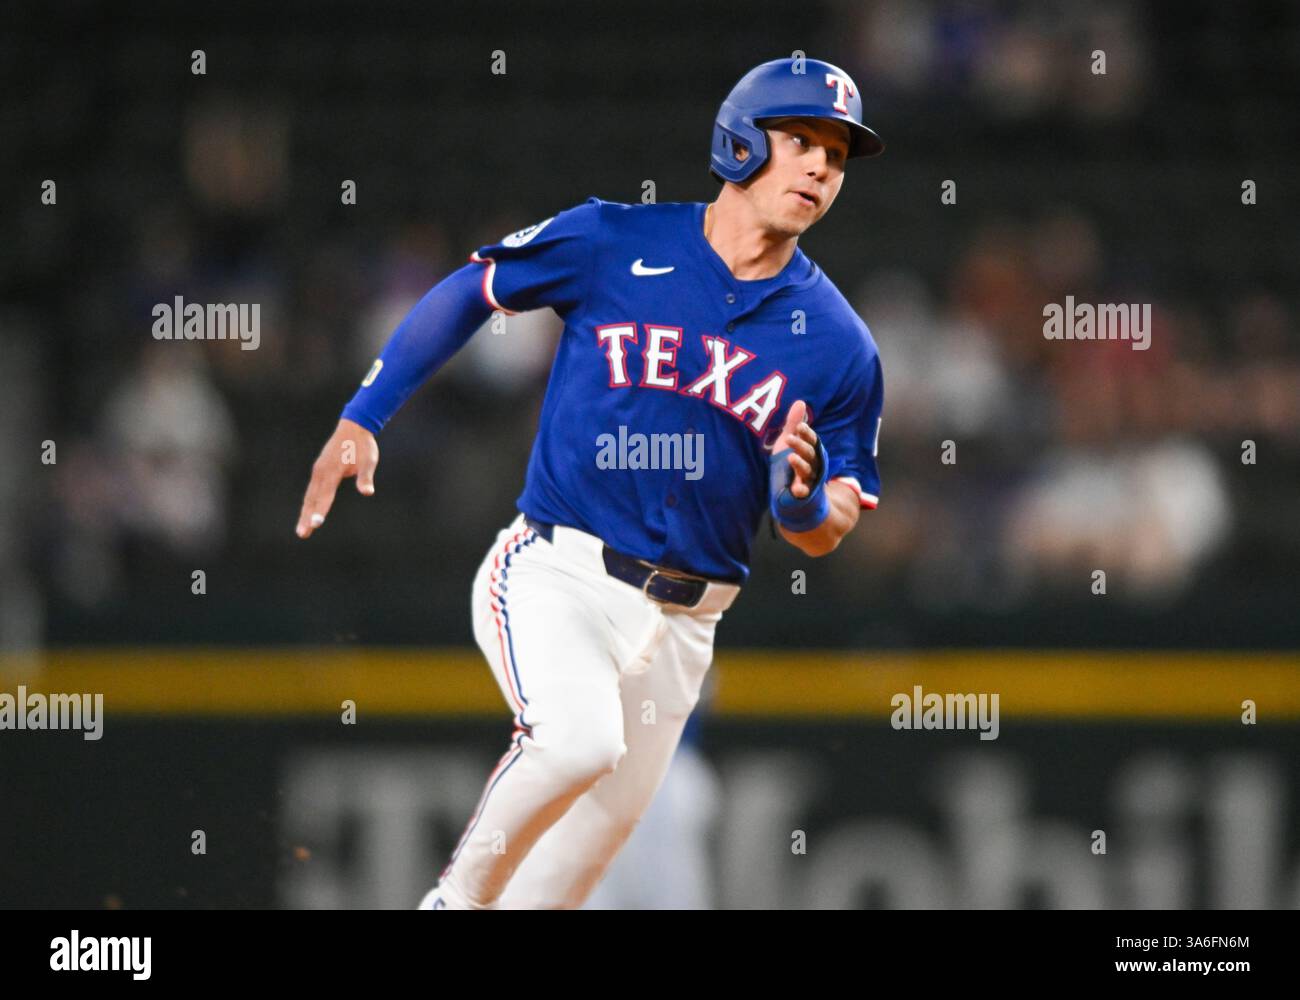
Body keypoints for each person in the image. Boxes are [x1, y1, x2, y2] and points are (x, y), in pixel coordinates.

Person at [294, 57, 886, 909]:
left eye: (836, 155)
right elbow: (476, 287)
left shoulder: (839, 344)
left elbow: (833, 518)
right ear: (741, 141)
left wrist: (801, 502)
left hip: (690, 624)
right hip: (560, 569)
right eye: (800, 141)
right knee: (573, 743)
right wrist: (364, 414)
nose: (820, 168)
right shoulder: (614, 240)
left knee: (558, 894)